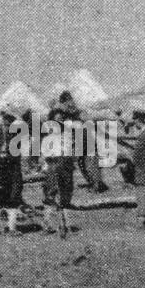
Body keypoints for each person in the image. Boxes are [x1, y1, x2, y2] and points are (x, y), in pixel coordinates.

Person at [41, 98, 81, 236]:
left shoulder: (69, 134)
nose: (59, 120)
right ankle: (48, 224)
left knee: (66, 195)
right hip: (53, 164)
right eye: (56, 118)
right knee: (50, 194)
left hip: (66, 165)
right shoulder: (48, 136)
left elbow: (73, 151)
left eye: (61, 118)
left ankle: (66, 225)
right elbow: (45, 153)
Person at [118, 110, 145, 229]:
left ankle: (140, 224)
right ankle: (144, 221)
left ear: (139, 120)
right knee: (142, 195)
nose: (134, 122)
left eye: (135, 119)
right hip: (141, 169)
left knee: (142, 195)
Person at [0, 106, 24, 233]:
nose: (8, 120)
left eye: (11, 118)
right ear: (2, 117)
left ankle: (12, 228)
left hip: (13, 166)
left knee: (13, 195)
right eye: (6, 117)